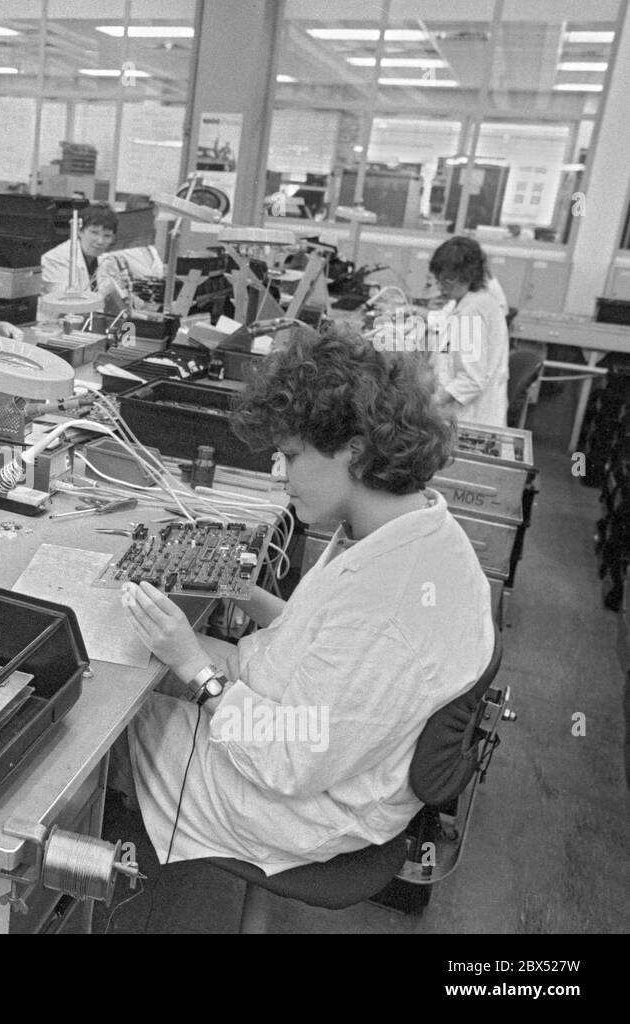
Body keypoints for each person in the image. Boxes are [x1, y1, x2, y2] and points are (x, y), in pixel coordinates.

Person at [121, 323, 494, 875]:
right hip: (307, 734)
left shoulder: (388, 606)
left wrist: (194, 666)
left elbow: (290, 757)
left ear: (356, 450)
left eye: (291, 456)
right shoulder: (402, 525)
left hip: (299, 805)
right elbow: (320, 637)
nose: (280, 473)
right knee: (132, 655)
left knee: (101, 718)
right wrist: (246, 593)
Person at [428, 236, 510, 427]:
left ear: (467, 275)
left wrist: (430, 403)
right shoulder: (468, 303)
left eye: (447, 280)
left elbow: (471, 381)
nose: (441, 286)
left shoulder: (473, 311)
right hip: (464, 417)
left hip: (471, 421)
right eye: (439, 279)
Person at [40, 203, 125, 311]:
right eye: (94, 232)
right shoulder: (56, 259)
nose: (100, 241)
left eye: (107, 235)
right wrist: (106, 292)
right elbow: (68, 307)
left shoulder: (106, 260)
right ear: (79, 231)